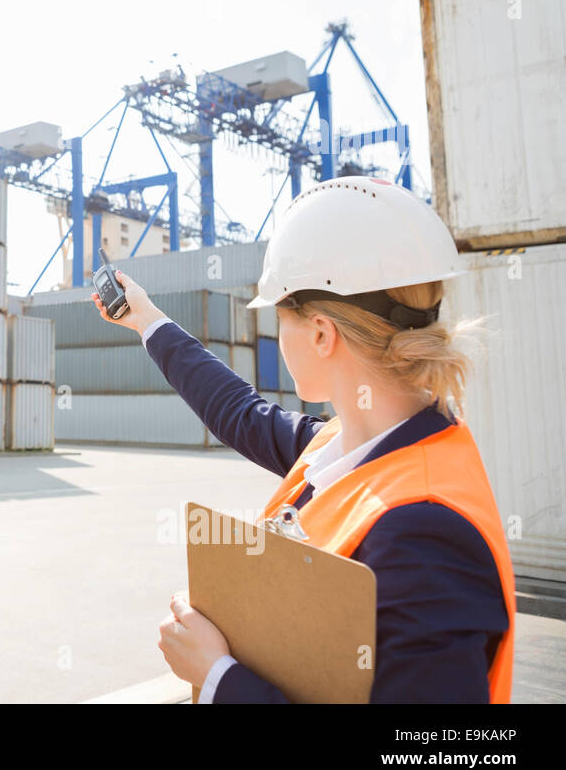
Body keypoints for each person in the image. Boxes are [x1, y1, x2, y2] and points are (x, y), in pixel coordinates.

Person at [92, 177, 515, 703]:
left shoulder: (424, 537)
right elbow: (242, 414)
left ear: (320, 333)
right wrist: (147, 320)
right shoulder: (355, 445)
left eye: (277, 314)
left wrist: (220, 675)